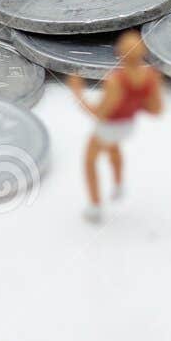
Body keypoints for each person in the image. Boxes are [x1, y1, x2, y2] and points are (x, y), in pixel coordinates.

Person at [66, 30, 164, 223]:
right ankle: (118, 186)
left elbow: (100, 113)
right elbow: (156, 110)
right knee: (114, 147)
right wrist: (135, 103)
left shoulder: (116, 81)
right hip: (128, 125)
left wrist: (77, 92)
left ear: (120, 52)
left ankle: (94, 206)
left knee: (90, 161)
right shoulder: (151, 77)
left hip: (109, 127)